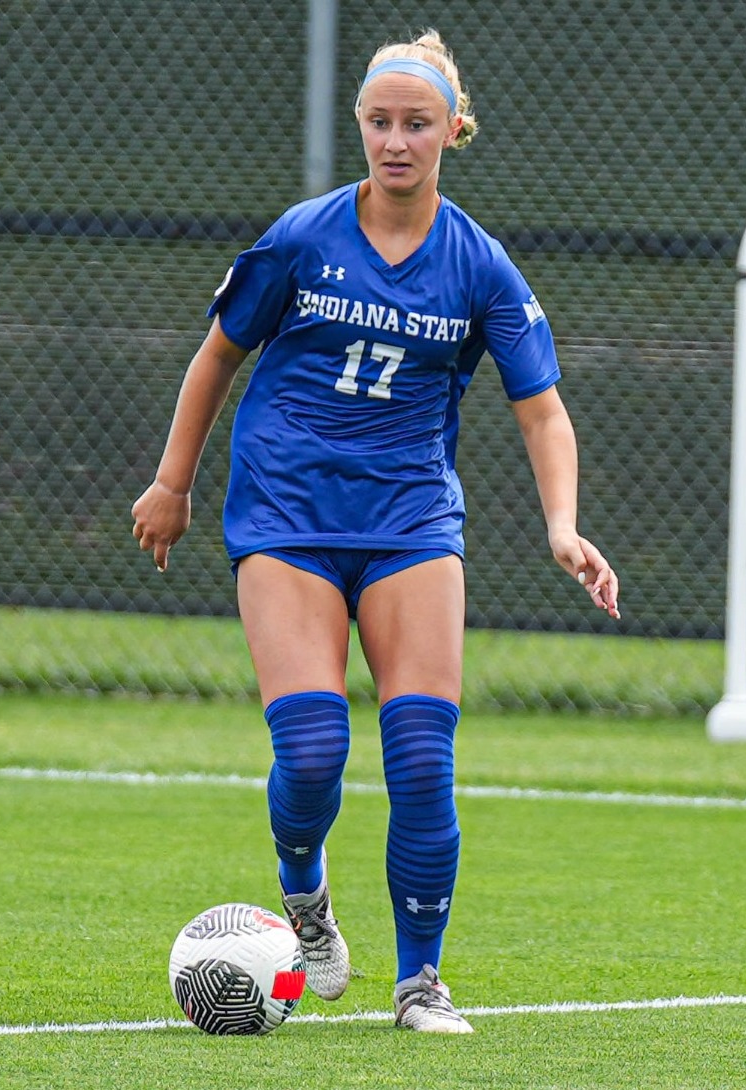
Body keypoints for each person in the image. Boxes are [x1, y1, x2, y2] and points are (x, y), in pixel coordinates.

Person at [130, 29, 619, 1034]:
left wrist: (562, 526)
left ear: (451, 129)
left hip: (408, 525)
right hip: (287, 517)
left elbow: (542, 410)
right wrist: (170, 482)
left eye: (416, 124)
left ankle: (419, 980)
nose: (395, 141)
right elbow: (216, 356)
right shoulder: (301, 240)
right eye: (378, 122)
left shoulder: (478, 265)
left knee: (419, 756)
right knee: (310, 749)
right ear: (359, 124)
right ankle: (302, 896)